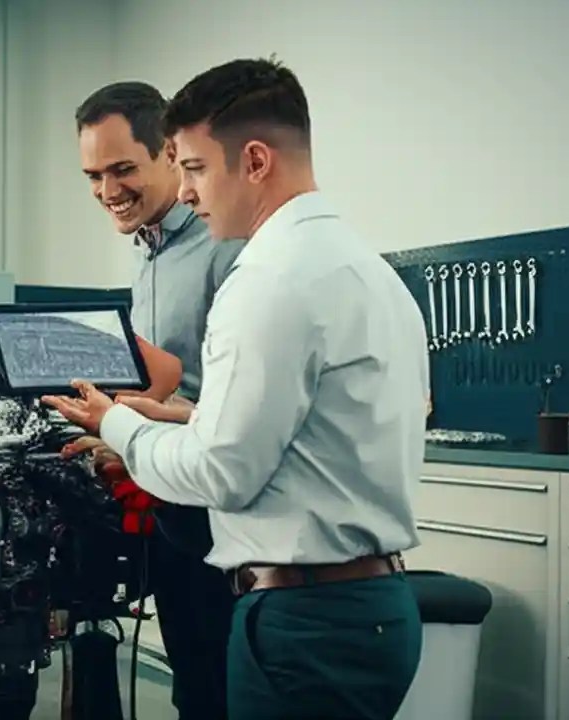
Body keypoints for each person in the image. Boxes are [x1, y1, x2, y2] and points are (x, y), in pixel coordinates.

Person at [44, 58, 428, 720]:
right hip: (366, 606)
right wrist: (182, 416)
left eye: (193, 168)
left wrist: (119, 427)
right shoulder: (364, 267)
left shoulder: (267, 278)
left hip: (306, 619)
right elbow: (301, 428)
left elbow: (222, 472)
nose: (188, 191)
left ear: (253, 161)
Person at [69, 81, 243, 720]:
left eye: (122, 169)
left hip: (225, 519)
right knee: (193, 685)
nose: (107, 190)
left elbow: (239, 406)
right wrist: (111, 431)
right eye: (94, 175)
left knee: (220, 690)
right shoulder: (148, 253)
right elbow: (160, 384)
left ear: (170, 154)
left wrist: (131, 428)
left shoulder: (224, 245)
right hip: (171, 507)